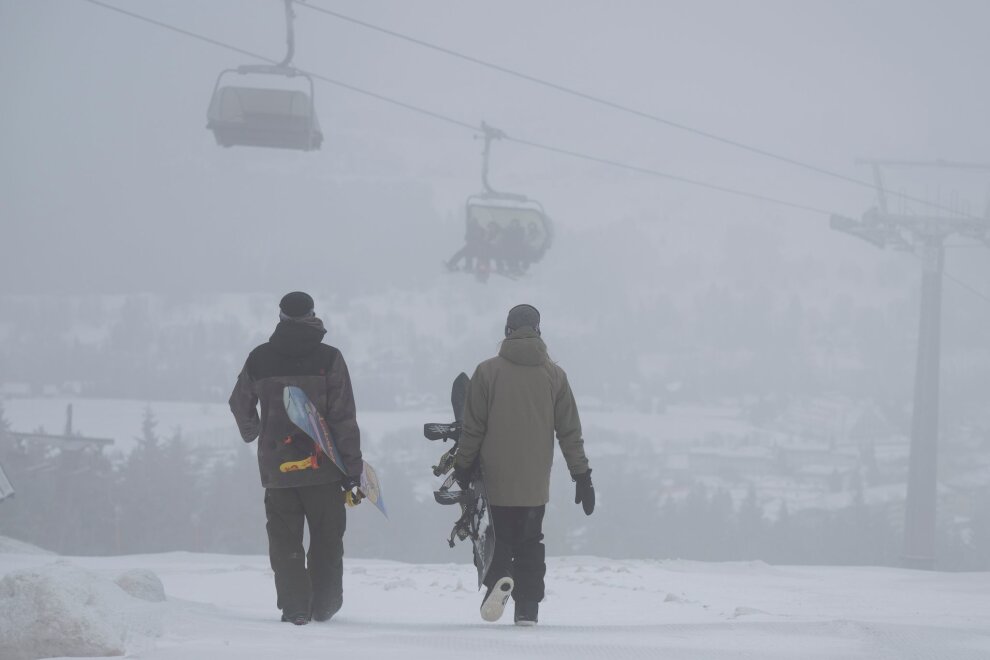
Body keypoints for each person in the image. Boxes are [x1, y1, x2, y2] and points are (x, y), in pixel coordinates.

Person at [453, 304, 595, 626]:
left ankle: (500, 579)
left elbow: (472, 429)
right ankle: (527, 608)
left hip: (495, 480)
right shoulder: (555, 376)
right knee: (531, 540)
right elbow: (569, 432)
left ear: (507, 331)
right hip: (533, 484)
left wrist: (462, 466)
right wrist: (581, 476)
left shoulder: (487, 372)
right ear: (538, 331)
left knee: (496, 538)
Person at [228, 291, 363, 625]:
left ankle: (296, 608)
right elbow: (343, 417)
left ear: (281, 317)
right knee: (327, 538)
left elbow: (239, 402)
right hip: (324, 467)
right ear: (313, 315)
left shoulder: (259, 358)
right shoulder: (330, 358)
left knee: (285, 540)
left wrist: (253, 430)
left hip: (278, 469)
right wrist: (353, 469)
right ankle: (325, 604)